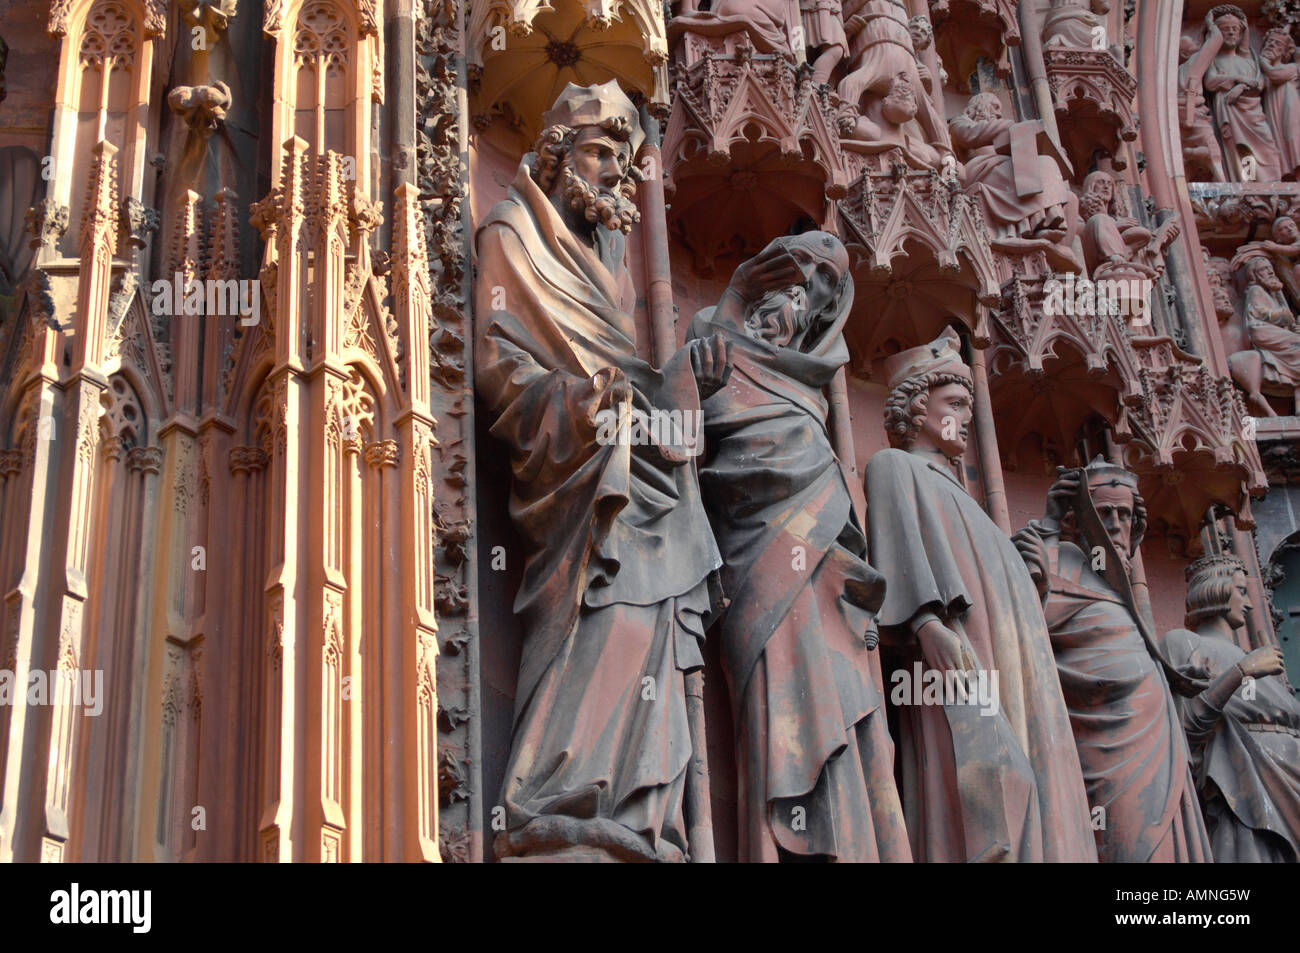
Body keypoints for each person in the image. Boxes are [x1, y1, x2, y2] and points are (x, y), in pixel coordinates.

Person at [474, 82, 734, 861]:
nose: (614, 173)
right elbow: (497, 365)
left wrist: (682, 382)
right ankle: (559, 788)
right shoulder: (512, 234)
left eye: (624, 160)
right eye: (598, 153)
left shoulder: (606, 266)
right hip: (584, 481)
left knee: (653, 630)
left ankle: (638, 805)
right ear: (556, 157)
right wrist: (587, 405)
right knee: (611, 613)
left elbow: (633, 375)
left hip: (639, 474)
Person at [690, 232, 911, 862]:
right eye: (800, 265)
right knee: (779, 715)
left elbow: (833, 505)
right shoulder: (715, 334)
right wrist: (734, 298)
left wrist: (861, 602)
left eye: (823, 281)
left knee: (850, 720)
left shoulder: (810, 390)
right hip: (758, 569)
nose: (803, 285)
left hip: (828, 586)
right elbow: (683, 427)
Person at [864, 329, 1097, 862]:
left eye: (969, 404)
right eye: (955, 403)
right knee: (983, 784)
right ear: (917, 408)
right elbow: (897, 553)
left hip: (1015, 665)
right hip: (957, 655)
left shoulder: (973, 506)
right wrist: (926, 626)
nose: (966, 416)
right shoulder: (894, 467)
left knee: (1034, 781)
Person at [1013, 459, 1213, 862]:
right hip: (1105, 743)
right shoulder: (1062, 559)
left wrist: (1167, 675)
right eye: (1105, 513)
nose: (1117, 524)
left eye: (1125, 514)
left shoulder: (1116, 582)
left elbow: (1114, 641)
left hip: (1154, 733)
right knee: (1126, 839)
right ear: (1078, 519)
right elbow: (1016, 610)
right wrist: (1050, 523)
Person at [1162, 555, 1300, 862]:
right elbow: (1184, 727)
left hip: (1289, 776)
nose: (1249, 603)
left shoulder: (1254, 657)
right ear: (1217, 588)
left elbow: (1250, 703)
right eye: (1241, 591)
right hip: (1242, 782)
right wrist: (1241, 670)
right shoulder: (1184, 643)